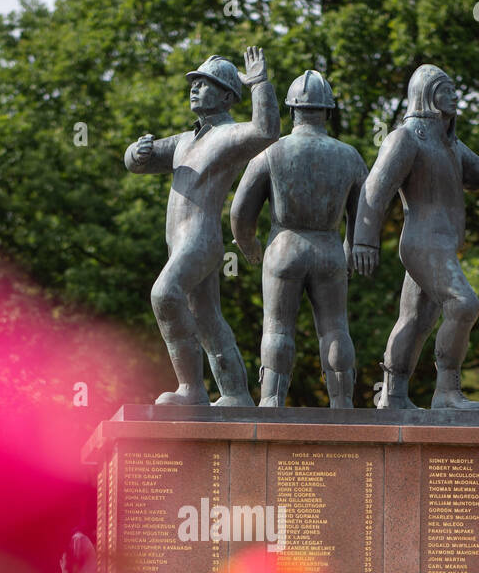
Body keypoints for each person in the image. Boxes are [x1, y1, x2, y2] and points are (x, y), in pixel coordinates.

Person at [353, 64, 479, 411]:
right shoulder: (405, 138)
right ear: (427, 95)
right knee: (464, 305)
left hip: (440, 245)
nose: (455, 95)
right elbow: (375, 189)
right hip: (422, 242)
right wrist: (364, 241)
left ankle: (393, 395)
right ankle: (446, 390)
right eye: (446, 90)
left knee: (416, 320)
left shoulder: (450, 144)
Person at [124, 47, 280, 406]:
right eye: (193, 83)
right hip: (178, 241)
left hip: (201, 238)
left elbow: (266, 130)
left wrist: (259, 84)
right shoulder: (183, 140)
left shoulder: (229, 135)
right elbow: (139, 165)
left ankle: (191, 389)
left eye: (205, 84)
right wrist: (137, 152)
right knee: (207, 317)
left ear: (227, 96)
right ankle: (236, 394)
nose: (194, 88)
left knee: (164, 294)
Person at [231, 70, 367, 407]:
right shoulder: (349, 156)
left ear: (292, 110)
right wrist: (352, 249)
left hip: (284, 248)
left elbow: (239, 211)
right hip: (329, 250)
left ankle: (270, 401)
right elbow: (365, 213)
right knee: (336, 328)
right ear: (328, 111)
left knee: (277, 328)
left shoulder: (271, 152)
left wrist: (249, 245)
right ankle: (342, 402)